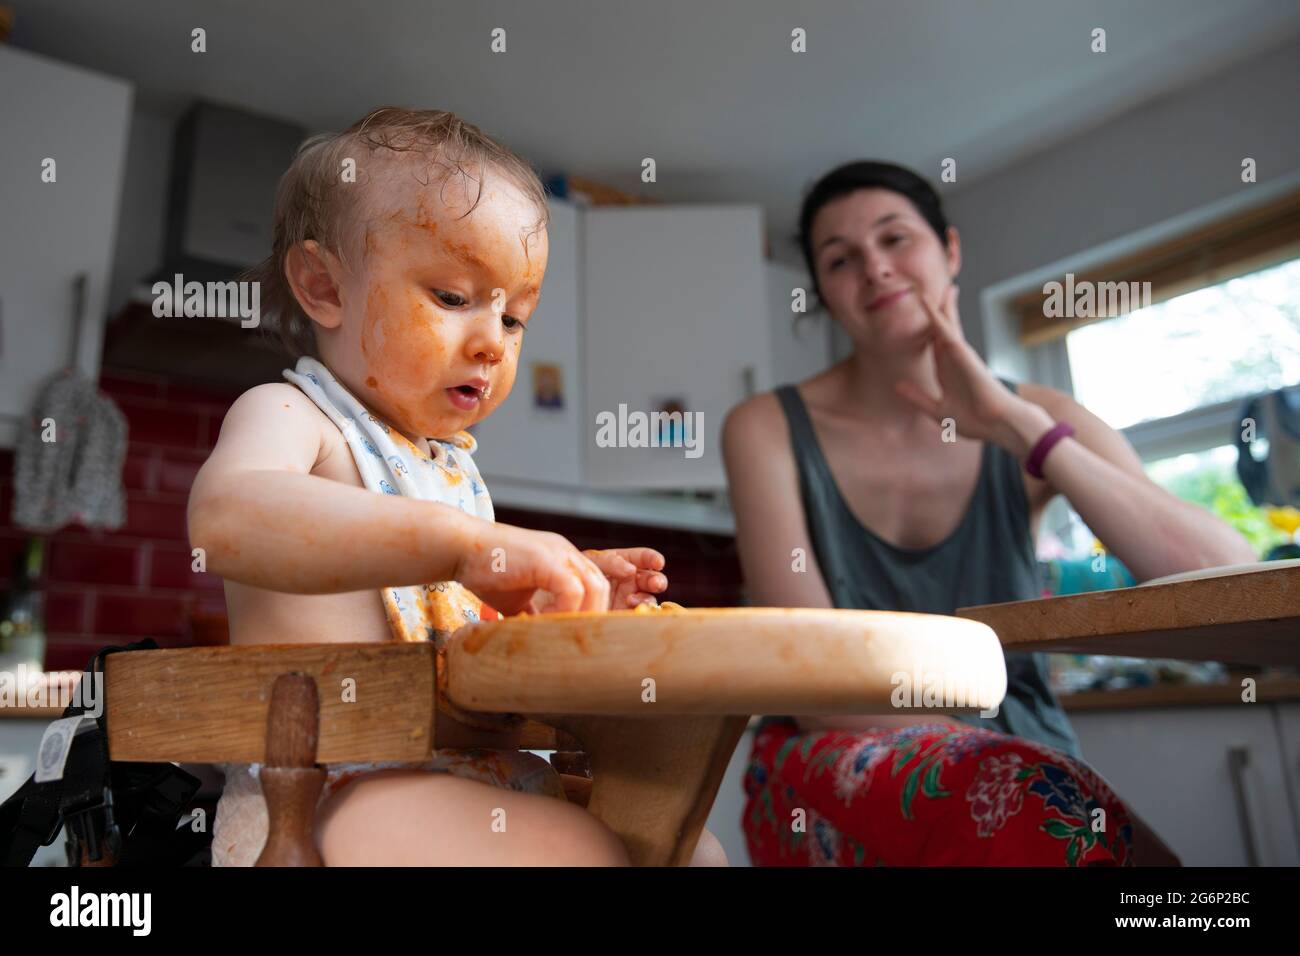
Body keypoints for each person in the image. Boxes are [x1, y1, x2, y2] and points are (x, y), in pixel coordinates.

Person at [189, 106, 726, 866]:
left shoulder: (454, 474)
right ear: (322, 286)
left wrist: (549, 599)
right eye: (452, 297)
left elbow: (455, 640)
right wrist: (471, 544)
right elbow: (226, 519)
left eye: (513, 319)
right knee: (576, 850)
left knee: (691, 851)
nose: (489, 343)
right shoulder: (293, 416)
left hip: (465, 768)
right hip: (331, 790)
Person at [722, 160, 1256, 866]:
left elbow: (1230, 582)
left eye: (894, 239)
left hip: (1029, 773)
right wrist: (996, 767)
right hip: (841, 762)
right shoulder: (765, 427)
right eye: (841, 260)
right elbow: (818, 685)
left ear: (949, 252)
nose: (875, 269)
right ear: (823, 292)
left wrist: (1019, 429)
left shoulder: (1038, 415)